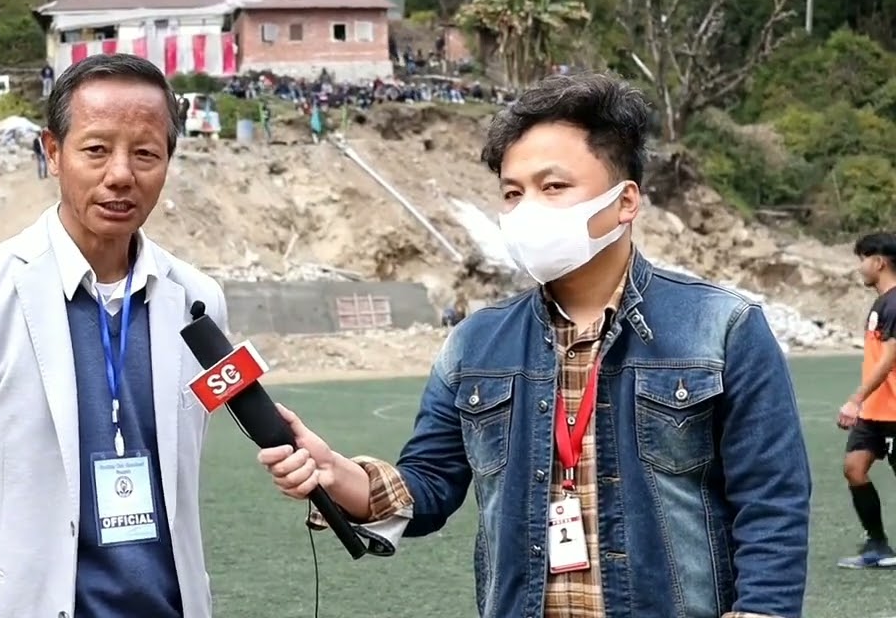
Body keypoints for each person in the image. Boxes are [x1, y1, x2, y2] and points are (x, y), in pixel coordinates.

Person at [257, 73, 811, 618]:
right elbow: (428, 485)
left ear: (625, 201)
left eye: (554, 187)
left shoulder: (723, 326)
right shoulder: (475, 343)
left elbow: (772, 501)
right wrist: (336, 474)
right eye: (512, 193)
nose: (527, 210)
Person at [0, 53, 227, 618]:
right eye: (96, 149)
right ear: (52, 152)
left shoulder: (198, 301)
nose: (121, 174)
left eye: (145, 153)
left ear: (169, 159)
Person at [836, 232, 896, 568]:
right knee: (854, 469)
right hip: (875, 413)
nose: (859, 267)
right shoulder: (882, 302)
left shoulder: (895, 303)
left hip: (894, 411)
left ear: (879, 262)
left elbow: (889, 359)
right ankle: (877, 545)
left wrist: (855, 399)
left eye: (862, 259)